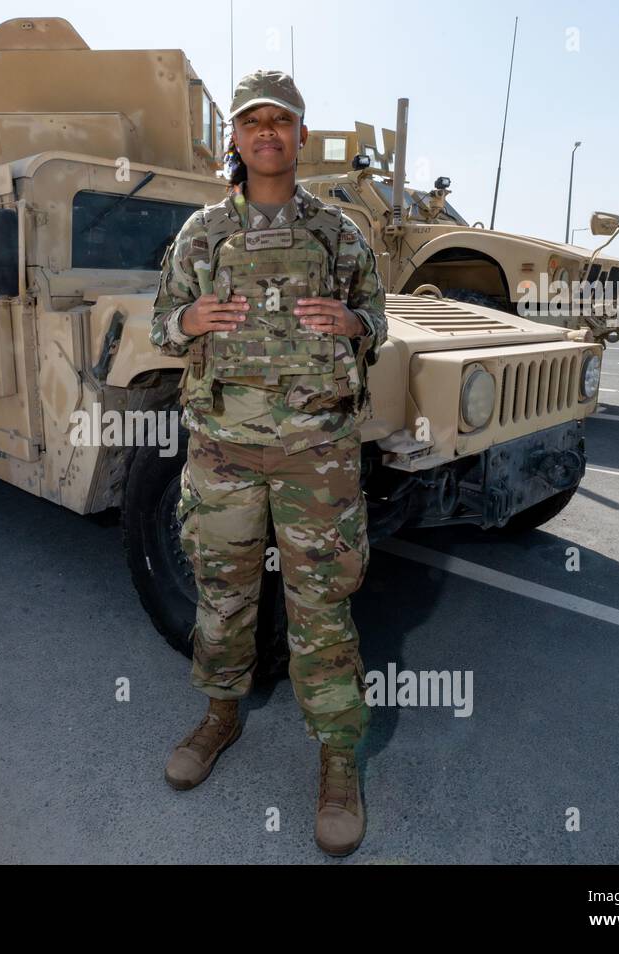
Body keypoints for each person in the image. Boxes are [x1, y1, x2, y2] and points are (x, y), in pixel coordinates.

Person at [150, 69, 387, 856]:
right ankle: (220, 717)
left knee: (323, 609)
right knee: (222, 596)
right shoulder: (200, 232)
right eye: (252, 122)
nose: (267, 134)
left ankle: (337, 758)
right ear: (238, 140)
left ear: (300, 136)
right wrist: (187, 316)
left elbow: (378, 319)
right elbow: (160, 322)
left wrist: (355, 318)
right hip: (223, 448)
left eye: (280, 122)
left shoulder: (340, 230)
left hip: (316, 452)